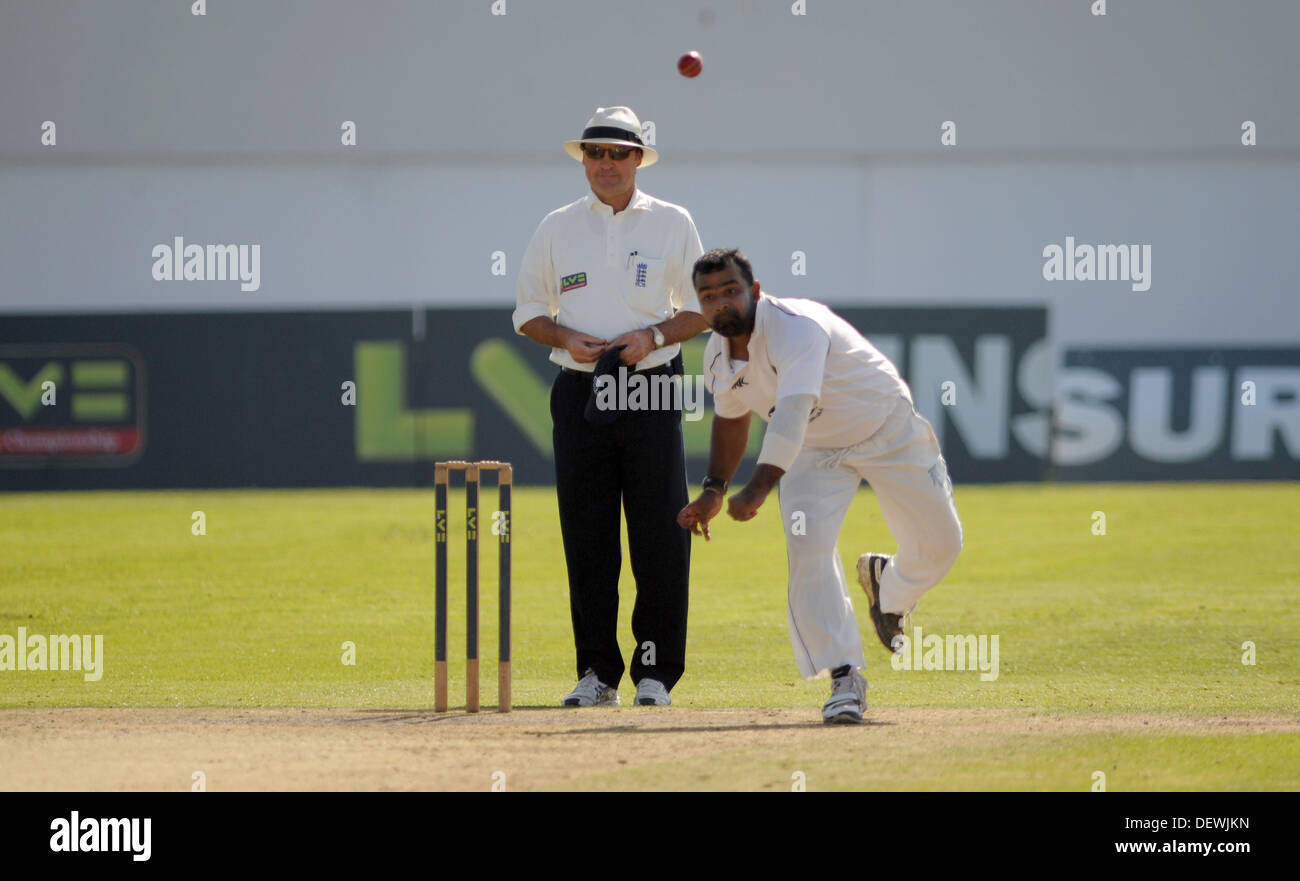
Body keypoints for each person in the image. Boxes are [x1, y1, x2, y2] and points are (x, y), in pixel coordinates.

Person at [677, 248, 964, 723]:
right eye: (708, 297)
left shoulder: (795, 326)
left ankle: (889, 587)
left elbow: (791, 412)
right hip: (811, 450)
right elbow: (732, 420)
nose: (721, 303)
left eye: (730, 291)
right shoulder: (716, 358)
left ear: (755, 292)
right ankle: (845, 677)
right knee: (807, 547)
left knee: (943, 544)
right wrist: (714, 490)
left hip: (884, 426)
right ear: (700, 306)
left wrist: (759, 488)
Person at [514, 106, 709, 707]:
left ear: (637, 160)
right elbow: (527, 315)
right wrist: (566, 338)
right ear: (584, 159)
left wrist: (651, 338)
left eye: (618, 153)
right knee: (588, 535)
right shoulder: (556, 226)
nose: (605, 163)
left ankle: (655, 673)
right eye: (595, 152)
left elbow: (702, 309)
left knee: (660, 535)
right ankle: (597, 673)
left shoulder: (673, 222)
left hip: (651, 386)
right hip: (580, 389)